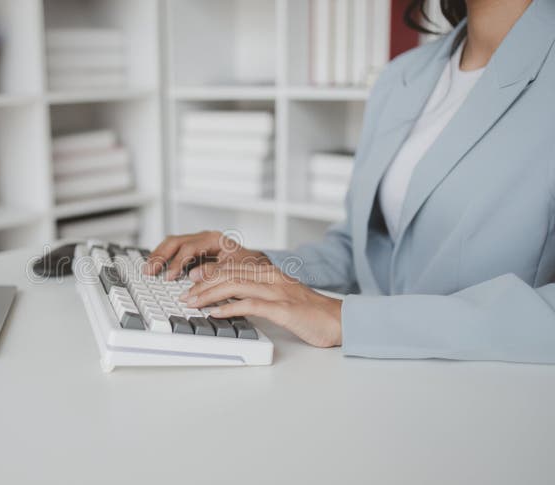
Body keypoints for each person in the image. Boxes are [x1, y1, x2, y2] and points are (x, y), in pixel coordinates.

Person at [146, 0, 555, 363]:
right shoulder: (403, 76)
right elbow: (364, 251)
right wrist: (262, 269)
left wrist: (346, 319)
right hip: (378, 380)